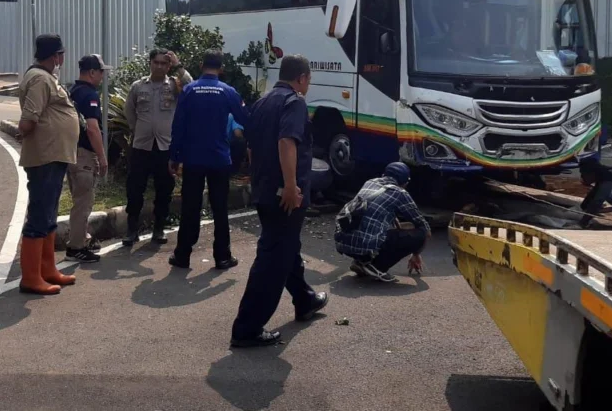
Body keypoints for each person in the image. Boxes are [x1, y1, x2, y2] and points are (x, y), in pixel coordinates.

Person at [230, 54, 328, 349]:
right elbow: (287, 141)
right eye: (308, 80)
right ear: (301, 78)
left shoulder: (263, 102)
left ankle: (304, 299)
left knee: (286, 248)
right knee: (272, 258)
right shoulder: (294, 102)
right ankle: (247, 328)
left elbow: (250, 145)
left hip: (264, 190)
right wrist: (290, 185)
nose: (308, 85)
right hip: (284, 195)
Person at [168, 49, 251, 270]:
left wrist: (174, 156)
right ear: (221, 68)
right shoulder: (228, 91)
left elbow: (178, 126)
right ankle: (223, 257)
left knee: (190, 208)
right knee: (220, 209)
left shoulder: (189, 90)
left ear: (201, 66)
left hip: (193, 159)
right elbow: (245, 119)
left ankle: (182, 256)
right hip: (219, 159)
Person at [15, 34, 79, 295]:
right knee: (40, 216)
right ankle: (31, 277)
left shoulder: (45, 77)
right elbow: (29, 118)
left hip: (54, 155)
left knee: (49, 215)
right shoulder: (41, 79)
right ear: (56, 56)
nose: (62, 60)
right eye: (61, 55)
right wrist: (25, 131)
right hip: (45, 157)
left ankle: (47, 269)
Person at [122, 49, 192, 246]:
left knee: (164, 190)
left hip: (165, 147)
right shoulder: (138, 86)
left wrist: (178, 66)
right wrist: (137, 129)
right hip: (141, 146)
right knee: (135, 189)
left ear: (169, 66)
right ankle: (131, 229)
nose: (160, 66)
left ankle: (159, 228)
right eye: (156, 62)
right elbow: (129, 110)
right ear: (150, 63)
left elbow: (191, 85)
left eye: (164, 63)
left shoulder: (175, 85)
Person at [334, 162, 431, 284]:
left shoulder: (370, 183)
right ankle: (378, 267)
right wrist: (416, 253)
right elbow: (423, 226)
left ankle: (361, 261)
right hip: (364, 244)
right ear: (405, 182)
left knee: (372, 227)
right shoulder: (400, 193)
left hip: (343, 242)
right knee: (421, 233)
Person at [66, 54, 110, 263]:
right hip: (84, 155)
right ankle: (76, 248)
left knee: (79, 201)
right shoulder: (90, 95)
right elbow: (93, 129)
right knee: (83, 204)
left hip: (71, 153)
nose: (102, 76)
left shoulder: (73, 91)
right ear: (92, 72)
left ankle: (82, 239)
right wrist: (102, 158)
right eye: (101, 72)